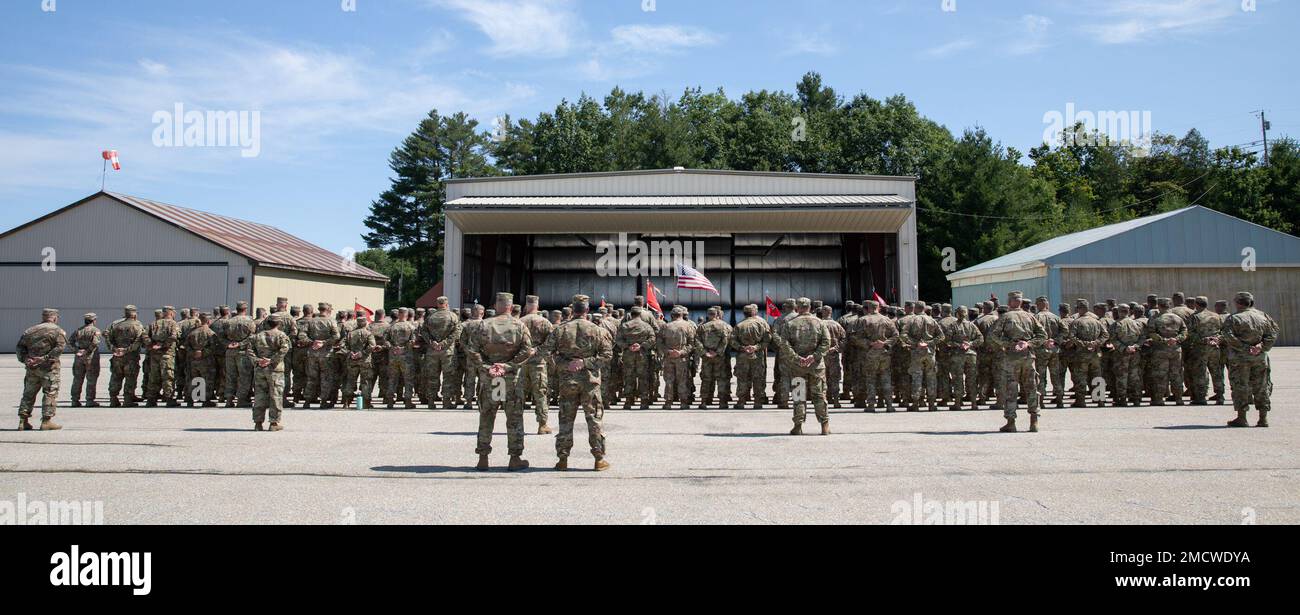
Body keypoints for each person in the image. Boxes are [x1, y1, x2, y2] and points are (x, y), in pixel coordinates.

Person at [463, 293, 534, 471]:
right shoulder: (519, 325)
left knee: (487, 416)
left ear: (496, 305)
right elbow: (527, 350)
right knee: (514, 419)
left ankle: (483, 457)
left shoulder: (483, 325)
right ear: (511, 306)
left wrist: (487, 367)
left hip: (490, 378)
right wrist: (508, 366)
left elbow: (472, 349)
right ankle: (515, 458)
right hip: (510, 379)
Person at [545, 294, 613, 471]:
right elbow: (607, 355)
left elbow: (547, 352)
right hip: (590, 382)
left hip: (568, 381)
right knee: (594, 419)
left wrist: (565, 364)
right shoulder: (598, 330)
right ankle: (599, 459)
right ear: (587, 310)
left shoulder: (560, 330)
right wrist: (585, 363)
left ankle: (562, 459)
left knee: (566, 419)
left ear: (572, 310)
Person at [989, 291, 1046, 433]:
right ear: (1020, 302)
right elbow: (1042, 335)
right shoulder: (1030, 316)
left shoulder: (1005, 317)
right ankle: (1034, 421)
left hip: (1012, 357)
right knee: (1032, 387)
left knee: (1011, 388)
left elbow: (993, 335)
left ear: (1010, 302)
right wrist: (1028, 344)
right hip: (1028, 356)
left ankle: (1011, 422)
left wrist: (1008, 344)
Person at [773, 298, 831, 435]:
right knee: (819, 395)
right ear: (810, 307)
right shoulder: (819, 323)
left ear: (797, 308)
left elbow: (784, 344)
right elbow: (826, 342)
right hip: (816, 366)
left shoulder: (790, 324)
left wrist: (797, 358)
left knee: (799, 395)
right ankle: (824, 425)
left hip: (797, 366)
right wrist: (814, 356)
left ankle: (798, 426)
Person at [1222, 292, 1277, 427]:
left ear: (1238, 303)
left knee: (1240, 386)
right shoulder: (1263, 316)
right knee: (1261, 386)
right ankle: (1263, 419)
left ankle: (1242, 418)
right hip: (1259, 358)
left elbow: (1228, 336)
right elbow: (1273, 333)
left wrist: (1245, 348)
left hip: (1240, 359)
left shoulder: (1233, 318)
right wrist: (1261, 347)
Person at [16, 308, 67, 431]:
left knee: (28, 393)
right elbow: (59, 348)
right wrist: (44, 358)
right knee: (50, 392)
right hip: (49, 369)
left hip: (32, 369)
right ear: (54, 318)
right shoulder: (57, 331)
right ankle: (46, 421)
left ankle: (23, 421)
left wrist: (26, 359)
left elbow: (20, 348)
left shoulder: (30, 330)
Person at [244, 316, 292, 431]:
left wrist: (258, 361)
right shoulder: (282, 335)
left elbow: (249, 350)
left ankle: (258, 423)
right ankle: (274, 423)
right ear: (278, 324)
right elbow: (284, 349)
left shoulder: (258, 336)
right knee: (275, 395)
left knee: (259, 395)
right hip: (275, 369)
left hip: (260, 369)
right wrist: (271, 360)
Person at [899, 300, 944, 412]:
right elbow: (941, 336)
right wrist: (929, 343)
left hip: (916, 352)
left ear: (915, 308)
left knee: (916, 377)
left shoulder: (912, 320)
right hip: (930, 353)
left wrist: (915, 343)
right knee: (931, 378)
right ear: (924, 308)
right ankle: (932, 404)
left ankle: (915, 403)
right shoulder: (932, 320)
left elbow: (903, 335)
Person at [419, 296, 462, 410]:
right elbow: (457, 333)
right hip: (447, 351)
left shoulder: (430, 317)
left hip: (432, 351)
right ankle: (446, 402)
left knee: (432, 376)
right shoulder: (453, 316)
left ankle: (431, 401)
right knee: (448, 376)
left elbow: (423, 331)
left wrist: (432, 342)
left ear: (437, 304)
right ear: (447, 304)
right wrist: (443, 343)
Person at [518, 295, 554, 431]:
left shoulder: (519, 322)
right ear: (537, 306)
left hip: (521, 363)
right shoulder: (545, 322)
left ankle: (516, 423)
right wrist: (537, 350)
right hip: (538, 363)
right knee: (540, 393)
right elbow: (551, 344)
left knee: (519, 393)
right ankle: (542, 424)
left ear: (526, 306)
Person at [1146, 298, 1188, 406]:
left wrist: (1163, 340)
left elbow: (1151, 333)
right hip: (1176, 349)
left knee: (1160, 374)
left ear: (1159, 306)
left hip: (1160, 350)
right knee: (1176, 374)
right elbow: (1184, 331)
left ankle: (1159, 399)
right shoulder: (1178, 318)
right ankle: (1179, 399)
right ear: (1169, 305)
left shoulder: (1155, 318)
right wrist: (1176, 339)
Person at [729, 304, 771, 409]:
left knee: (742, 379)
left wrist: (742, 348)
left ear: (744, 313)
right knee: (758, 378)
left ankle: (741, 402)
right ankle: (758, 402)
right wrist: (756, 347)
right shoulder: (762, 323)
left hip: (743, 356)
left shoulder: (739, 325)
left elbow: (732, 341)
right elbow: (768, 339)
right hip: (757, 355)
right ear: (754, 312)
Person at [106, 305, 149, 407]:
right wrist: (126, 350)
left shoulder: (115, 325)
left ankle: (113, 399)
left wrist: (114, 349)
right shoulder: (137, 325)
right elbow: (138, 341)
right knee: (130, 377)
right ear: (134, 314)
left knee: (116, 377)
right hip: (130, 356)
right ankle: (128, 400)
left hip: (117, 356)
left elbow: (108, 339)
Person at [944, 305, 982, 411]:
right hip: (971, 355)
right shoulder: (971, 325)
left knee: (958, 378)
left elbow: (947, 341)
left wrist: (957, 345)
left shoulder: (953, 325)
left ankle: (958, 403)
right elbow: (980, 339)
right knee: (972, 379)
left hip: (958, 355)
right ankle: (974, 403)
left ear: (957, 313)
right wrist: (970, 344)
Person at [658, 306, 696, 409]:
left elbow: (659, 343)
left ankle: (668, 402)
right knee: (682, 380)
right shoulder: (688, 326)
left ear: (671, 315)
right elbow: (692, 343)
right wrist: (681, 352)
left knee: (669, 380)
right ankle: (683, 402)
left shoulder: (665, 326)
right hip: (682, 358)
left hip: (669, 357)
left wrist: (668, 351)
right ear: (682, 315)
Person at [222, 302, 258, 408]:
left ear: (236, 309)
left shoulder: (228, 322)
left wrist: (228, 344)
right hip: (243, 352)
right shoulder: (249, 321)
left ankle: (229, 399)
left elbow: (221, 337)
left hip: (230, 352)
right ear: (245, 309)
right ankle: (241, 399)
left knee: (230, 376)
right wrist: (240, 344)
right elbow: (252, 337)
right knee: (244, 376)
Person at [696, 307, 732, 409]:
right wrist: (717, 352)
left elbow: (697, 341)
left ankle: (704, 402)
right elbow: (726, 340)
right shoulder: (725, 326)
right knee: (721, 379)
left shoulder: (702, 327)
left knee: (706, 379)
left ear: (708, 315)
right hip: (720, 357)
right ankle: (722, 402)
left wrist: (705, 352)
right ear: (717, 314)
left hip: (707, 357)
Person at [341, 316, 378, 409]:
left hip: (352, 360)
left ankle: (346, 402)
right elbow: (372, 345)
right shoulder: (368, 333)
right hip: (365, 361)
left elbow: (342, 345)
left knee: (350, 381)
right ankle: (366, 403)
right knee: (365, 381)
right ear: (365, 323)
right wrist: (362, 353)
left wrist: (350, 353)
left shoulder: (350, 334)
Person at [185, 313, 219, 407]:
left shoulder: (192, 332)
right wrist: (203, 353)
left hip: (193, 360)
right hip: (206, 361)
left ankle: (190, 400)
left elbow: (186, 346)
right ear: (208, 321)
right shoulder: (210, 333)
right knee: (207, 380)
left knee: (194, 379)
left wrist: (194, 353)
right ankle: (205, 400)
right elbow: (214, 347)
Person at [69, 312, 103, 408]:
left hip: (79, 358)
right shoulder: (95, 330)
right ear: (94, 320)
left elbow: (70, 342)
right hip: (91, 358)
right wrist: (87, 351)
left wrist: (77, 350)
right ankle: (89, 400)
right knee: (91, 379)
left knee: (77, 379)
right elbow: (95, 343)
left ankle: (75, 400)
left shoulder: (78, 330)